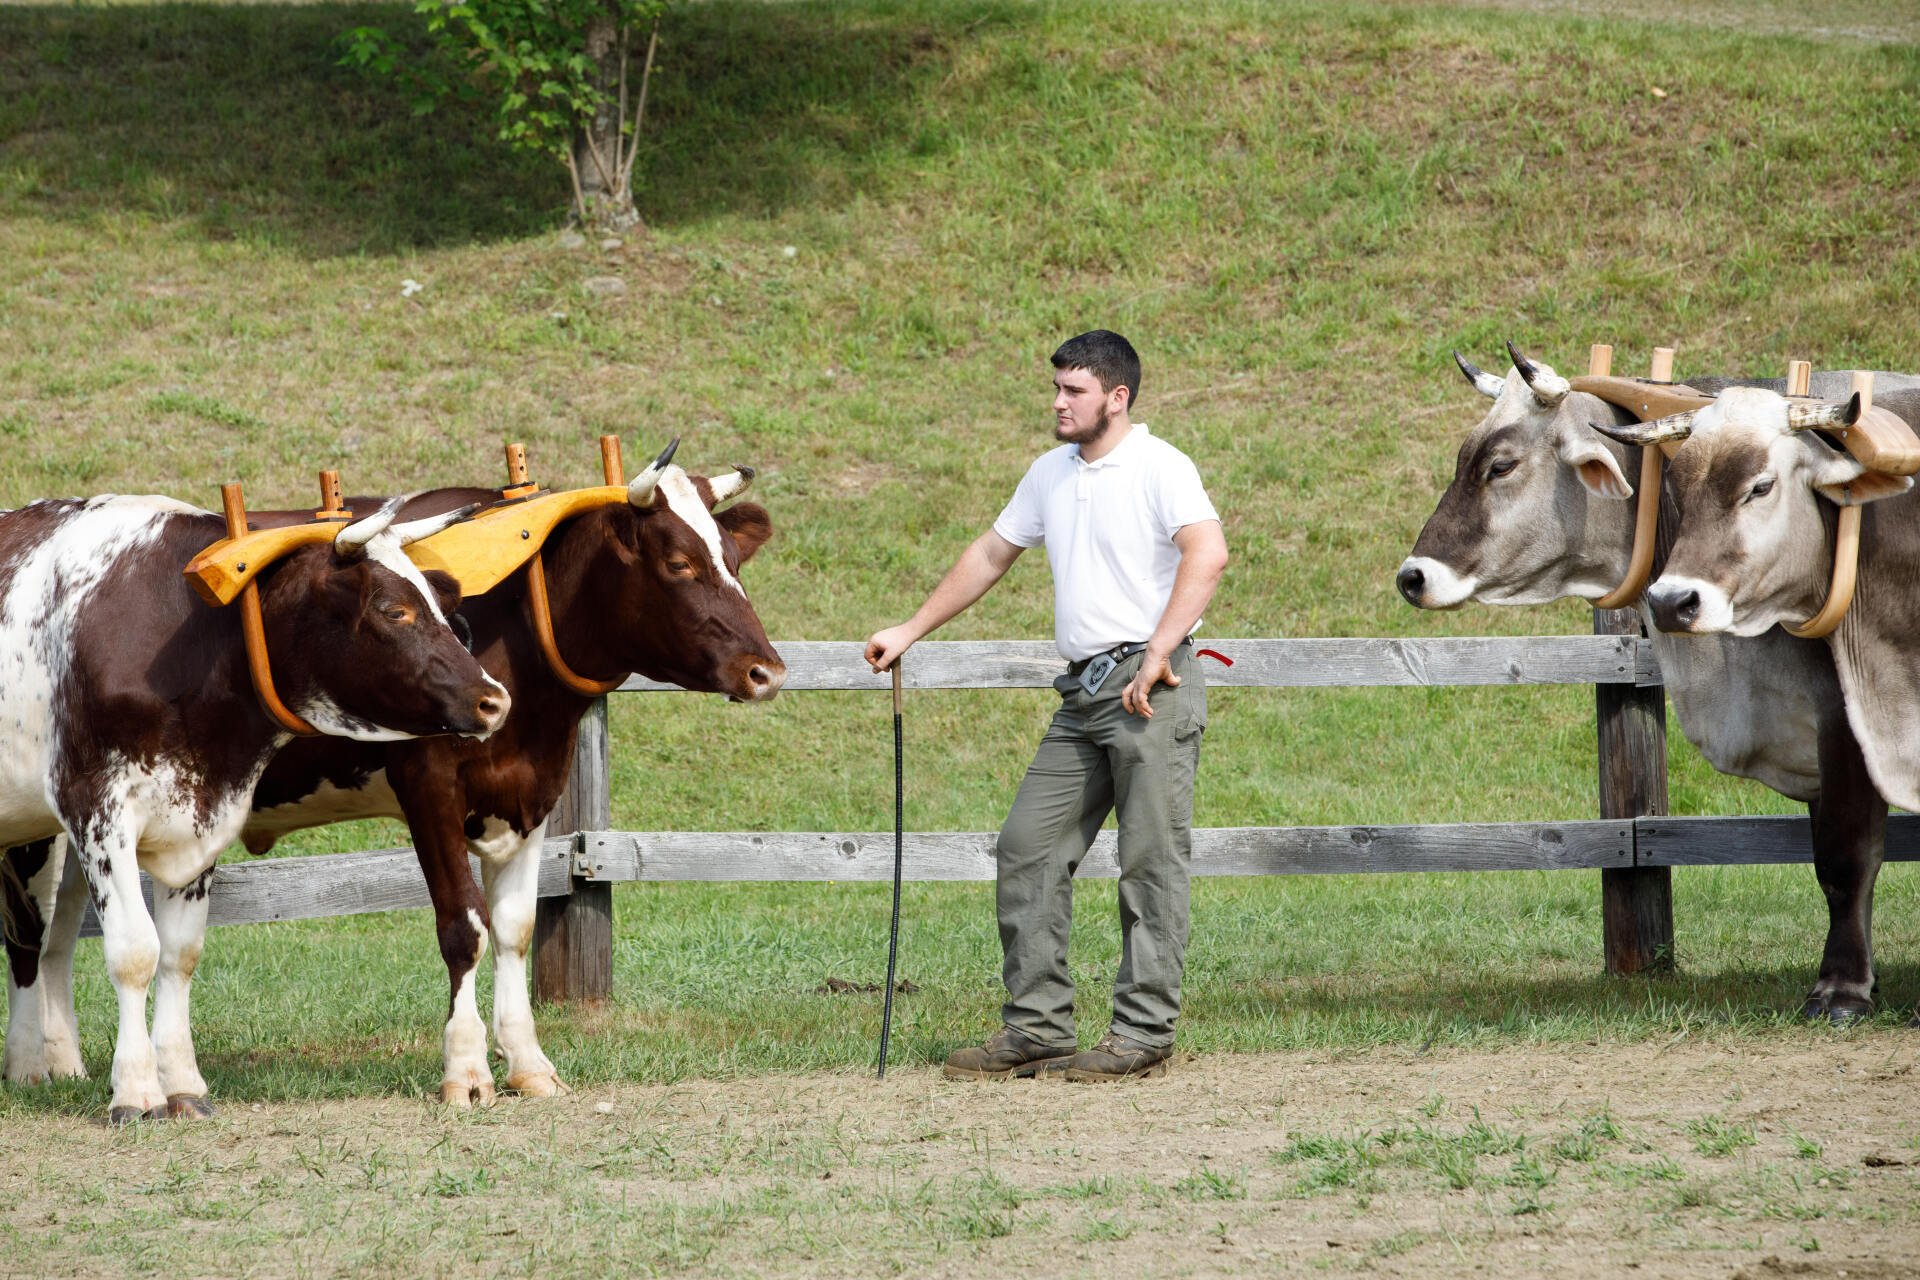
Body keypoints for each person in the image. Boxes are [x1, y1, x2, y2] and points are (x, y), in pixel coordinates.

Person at [864, 330, 1228, 1082]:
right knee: (1027, 847)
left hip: (1150, 689)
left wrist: (1160, 648)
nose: (1058, 402)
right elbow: (993, 552)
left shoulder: (1161, 466)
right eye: (1056, 388)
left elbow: (1207, 552)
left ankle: (1143, 1033)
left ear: (1116, 398)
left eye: (1074, 391)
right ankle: (1037, 1028)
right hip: (1082, 694)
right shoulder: (1049, 473)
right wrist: (910, 629)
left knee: (1149, 862)